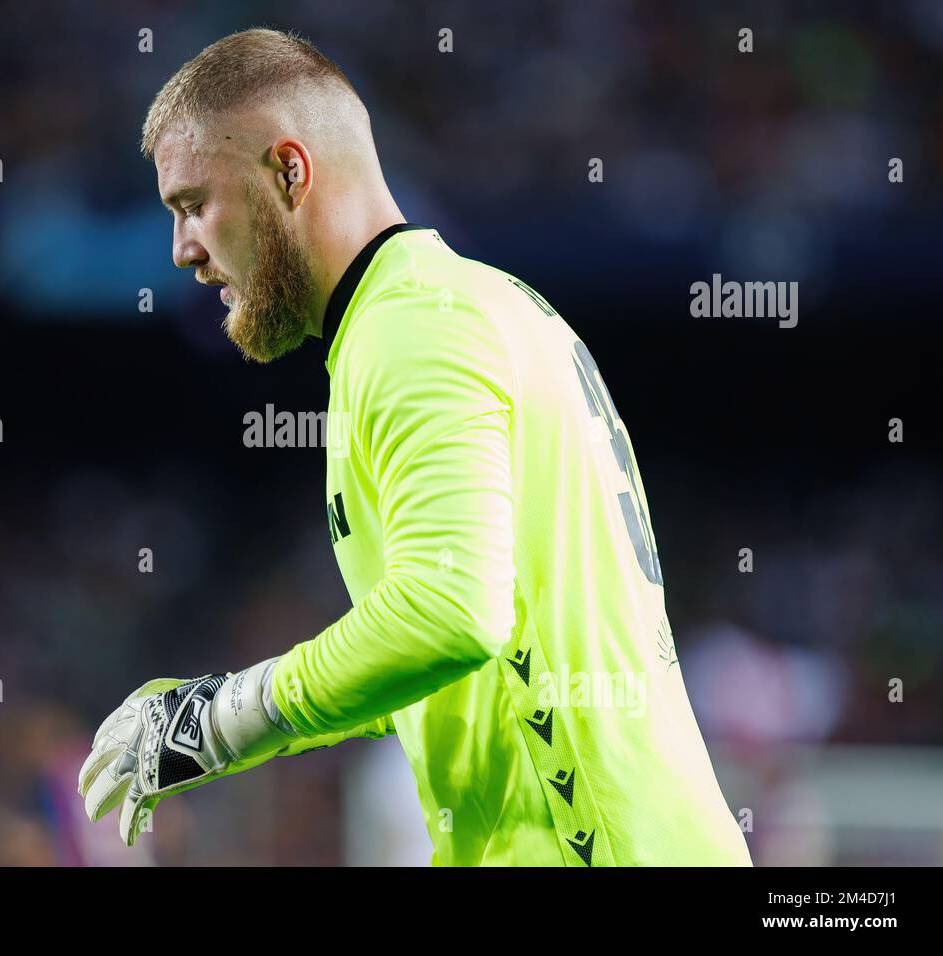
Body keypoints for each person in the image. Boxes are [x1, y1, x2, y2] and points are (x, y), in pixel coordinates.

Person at [80, 28, 751, 866]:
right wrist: (224, 719)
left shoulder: (409, 332)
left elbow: (449, 614)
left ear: (289, 171)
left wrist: (218, 721)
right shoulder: (483, 302)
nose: (183, 250)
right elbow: (463, 644)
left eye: (192, 205)